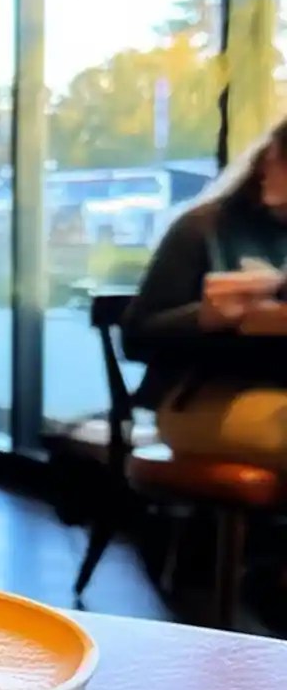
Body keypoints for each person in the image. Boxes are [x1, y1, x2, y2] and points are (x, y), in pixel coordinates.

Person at [122, 119, 287, 467]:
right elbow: (136, 336)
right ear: (272, 158)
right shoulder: (204, 227)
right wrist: (204, 317)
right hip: (201, 396)